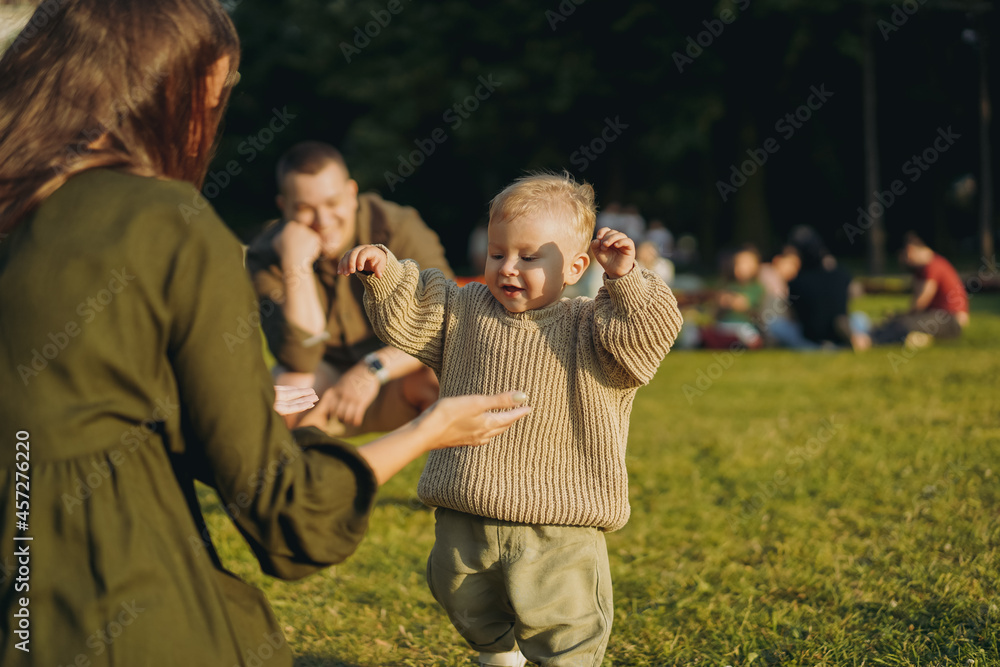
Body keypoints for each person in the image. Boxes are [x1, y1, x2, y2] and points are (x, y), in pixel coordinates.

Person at [0, 2, 530, 665]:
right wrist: (429, 432)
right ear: (170, 89)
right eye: (217, 97)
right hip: (116, 609)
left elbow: (69, 411)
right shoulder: (170, 226)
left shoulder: (23, 206)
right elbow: (287, 514)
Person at [340, 172, 684, 667]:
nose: (508, 268)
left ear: (574, 266)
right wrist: (386, 274)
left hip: (558, 521)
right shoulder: (466, 312)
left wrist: (625, 279)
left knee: (564, 620)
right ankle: (498, 653)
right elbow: (413, 316)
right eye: (497, 254)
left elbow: (647, 337)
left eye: (528, 257)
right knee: (463, 595)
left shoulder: (593, 327)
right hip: (466, 505)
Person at [245, 141, 453, 436]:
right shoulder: (266, 254)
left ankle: (448, 478)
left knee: (441, 379)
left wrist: (372, 370)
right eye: (304, 209)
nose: (323, 221)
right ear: (284, 208)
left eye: (332, 203)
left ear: (352, 194)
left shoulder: (398, 226)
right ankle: (294, 473)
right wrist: (296, 265)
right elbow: (299, 358)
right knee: (286, 389)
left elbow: (444, 321)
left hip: (394, 374)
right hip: (324, 382)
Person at [858, 232, 969, 348]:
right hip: (941, 318)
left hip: (950, 320)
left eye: (903, 257)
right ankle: (915, 337)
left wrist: (903, 315)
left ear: (910, 250)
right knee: (899, 322)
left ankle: (870, 340)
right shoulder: (926, 268)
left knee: (902, 324)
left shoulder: (933, 266)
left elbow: (921, 301)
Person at [786, 227, 855, 349]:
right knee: (859, 319)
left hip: (811, 340)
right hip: (838, 331)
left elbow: (793, 317)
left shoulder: (796, 282)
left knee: (777, 326)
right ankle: (856, 337)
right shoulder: (840, 273)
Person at [700, 244, 764, 349]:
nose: (742, 267)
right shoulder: (728, 285)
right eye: (738, 264)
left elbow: (744, 304)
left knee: (746, 331)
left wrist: (729, 300)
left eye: (746, 264)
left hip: (743, 324)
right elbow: (716, 308)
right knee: (711, 330)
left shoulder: (756, 287)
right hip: (725, 324)